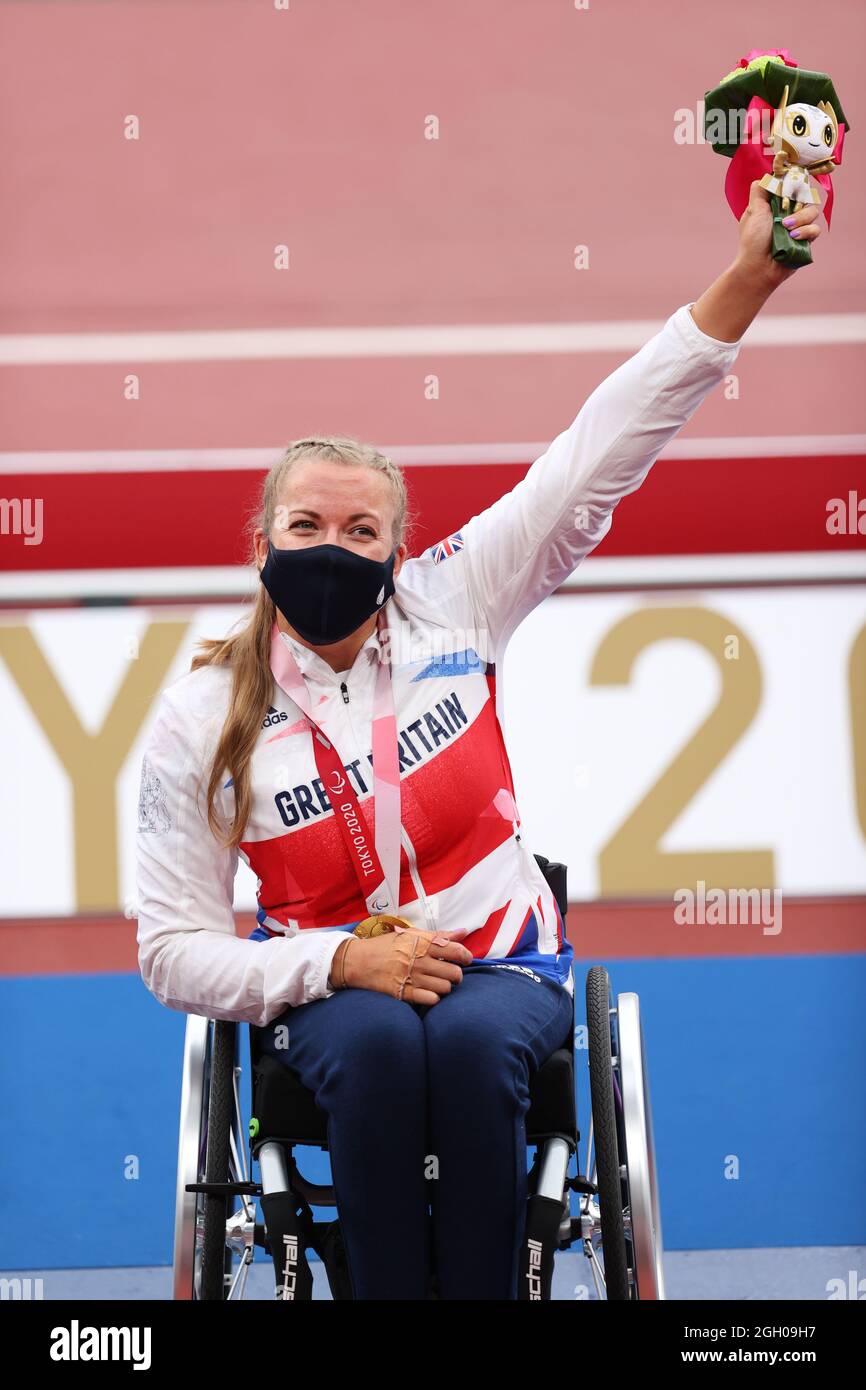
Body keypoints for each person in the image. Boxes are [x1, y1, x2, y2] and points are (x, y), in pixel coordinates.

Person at [136, 183, 822, 1300]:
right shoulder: (199, 718)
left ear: (399, 554)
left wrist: (747, 274)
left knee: (460, 1048)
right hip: (327, 983)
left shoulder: (453, 604)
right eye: (305, 526)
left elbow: (598, 450)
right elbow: (169, 951)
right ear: (259, 542)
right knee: (365, 1046)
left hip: (499, 958)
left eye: (361, 530)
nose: (332, 547)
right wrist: (337, 960)